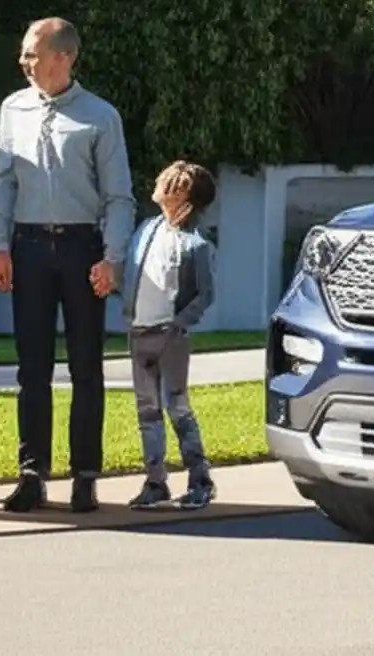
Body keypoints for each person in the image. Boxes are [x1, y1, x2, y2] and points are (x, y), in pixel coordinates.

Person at [0, 17, 136, 513]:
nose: (24, 62)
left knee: (85, 366)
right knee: (32, 368)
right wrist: (0, 246)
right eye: (24, 54)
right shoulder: (13, 108)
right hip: (27, 248)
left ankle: (85, 476)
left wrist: (112, 258)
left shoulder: (100, 117)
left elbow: (119, 196)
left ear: (64, 57)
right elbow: (4, 181)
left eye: (33, 53)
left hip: (81, 249)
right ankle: (32, 474)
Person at [122, 160, 217, 510]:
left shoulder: (195, 244)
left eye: (170, 182)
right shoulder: (147, 229)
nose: (159, 183)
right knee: (147, 410)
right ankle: (155, 481)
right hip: (139, 331)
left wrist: (180, 323)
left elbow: (205, 293)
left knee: (177, 407)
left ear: (182, 195)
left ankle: (200, 479)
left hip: (169, 335)